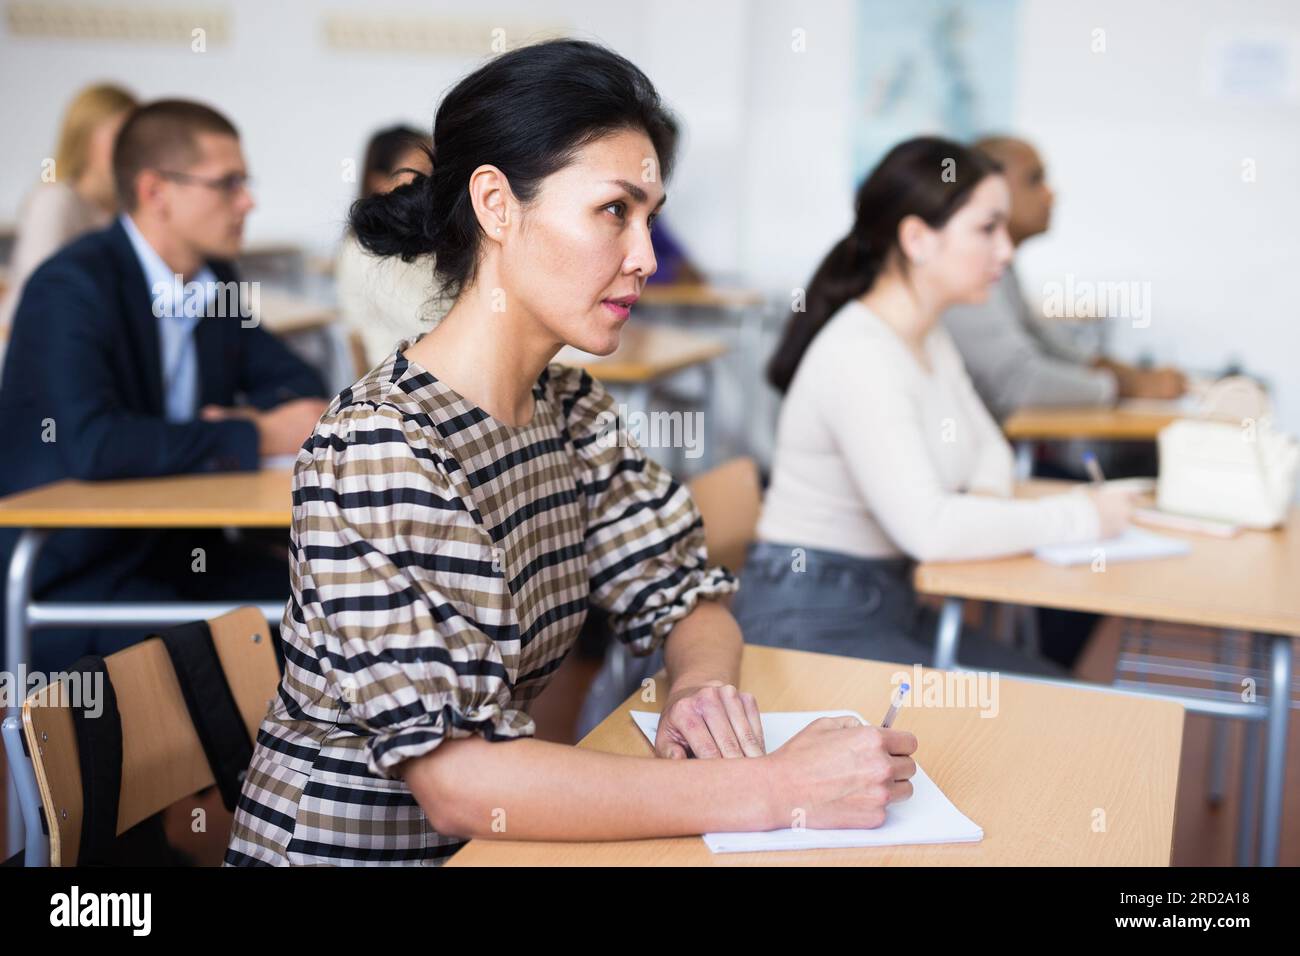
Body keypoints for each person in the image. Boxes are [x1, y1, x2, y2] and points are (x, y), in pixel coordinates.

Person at [225, 39, 917, 867]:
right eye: (614, 210)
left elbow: (685, 593)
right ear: (496, 205)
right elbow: (461, 785)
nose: (647, 259)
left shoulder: (569, 407)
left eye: (650, 216)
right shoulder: (382, 447)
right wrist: (776, 789)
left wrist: (698, 688)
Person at [735, 137, 1135, 673]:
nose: (1006, 251)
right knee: (1054, 719)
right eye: (987, 229)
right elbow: (931, 530)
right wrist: (1082, 516)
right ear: (918, 238)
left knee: (1068, 698)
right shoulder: (860, 354)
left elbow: (989, 450)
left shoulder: (927, 335)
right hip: (808, 622)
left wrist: (985, 511)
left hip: (887, 604)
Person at [0, 99, 328, 672]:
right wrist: (251, 435)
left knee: (331, 601)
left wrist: (248, 426)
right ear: (156, 191)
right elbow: (91, 443)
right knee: (228, 650)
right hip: (77, 566)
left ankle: (327, 761)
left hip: (180, 547)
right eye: (228, 184)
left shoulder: (213, 279)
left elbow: (295, 381)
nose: (247, 201)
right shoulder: (71, 286)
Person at [942, 135, 1186, 422]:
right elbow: (1021, 382)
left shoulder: (1002, 269)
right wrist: (1128, 386)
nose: (1050, 195)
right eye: (1034, 180)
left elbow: (1047, 344)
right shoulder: (964, 271)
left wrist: (1126, 375)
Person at [0, 83, 138, 335]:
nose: (133, 149)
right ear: (85, 139)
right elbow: (39, 291)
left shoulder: (128, 209)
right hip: (34, 336)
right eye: (121, 137)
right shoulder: (55, 201)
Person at [334, 124, 451, 370]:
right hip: (410, 379)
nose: (432, 185)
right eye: (420, 174)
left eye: (436, 173)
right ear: (379, 183)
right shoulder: (366, 250)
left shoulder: (426, 240)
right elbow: (428, 325)